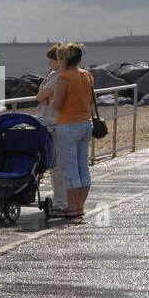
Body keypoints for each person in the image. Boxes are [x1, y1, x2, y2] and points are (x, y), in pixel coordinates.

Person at [50, 41, 94, 220]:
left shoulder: (64, 77)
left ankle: (71, 207)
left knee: (71, 168)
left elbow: (58, 104)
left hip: (68, 124)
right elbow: (90, 102)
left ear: (63, 59)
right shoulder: (87, 75)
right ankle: (80, 207)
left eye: (59, 59)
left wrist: (51, 100)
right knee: (83, 165)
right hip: (86, 123)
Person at [34, 43, 68, 216]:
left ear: (59, 60)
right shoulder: (55, 74)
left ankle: (61, 201)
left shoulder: (59, 76)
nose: (49, 64)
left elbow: (40, 95)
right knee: (58, 163)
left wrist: (45, 97)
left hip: (53, 122)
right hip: (50, 120)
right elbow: (43, 95)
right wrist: (45, 97)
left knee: (58, 163)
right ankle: (62, 199)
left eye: (51, 60)